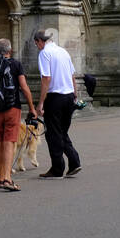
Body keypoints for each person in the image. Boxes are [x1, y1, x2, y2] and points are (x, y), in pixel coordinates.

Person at [0, 38, 37, 191]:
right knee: (10, 142)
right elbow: (24, 88)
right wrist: (32, 108)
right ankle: (7, 178)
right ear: (10, 51)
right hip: (12, 108)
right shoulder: (15, 65)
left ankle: (0, 178)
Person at [35, 29, 81, 178]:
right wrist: (75, 93)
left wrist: (41, 102)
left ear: (40, 41)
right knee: (61, 131)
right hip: (68, 96)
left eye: (37, 44)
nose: (37, 47)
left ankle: (57, 168)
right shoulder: (63, 52)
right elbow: (72, 75)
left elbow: (46, 78)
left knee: (53, 133)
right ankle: (74, 162)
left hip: (55, 97)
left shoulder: (44, 53)